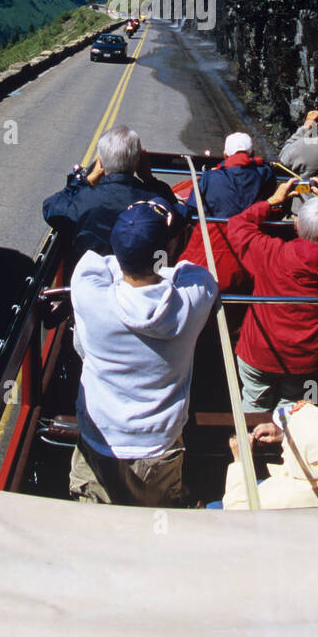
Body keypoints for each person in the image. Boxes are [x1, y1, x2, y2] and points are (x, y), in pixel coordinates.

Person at [69, 200, 218, 506]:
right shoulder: (191, 300)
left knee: (91, 525)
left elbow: (97, 264)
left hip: (100, 436)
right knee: (154, 523)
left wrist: (127, 253)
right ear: (167, 251)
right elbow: (194, 272)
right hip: (157, 444)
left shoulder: (90, 292)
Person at [225, 177, 318, 413]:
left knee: (253, 403)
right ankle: (286, 444)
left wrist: (272, 202)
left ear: (296, 225)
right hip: (306, 357)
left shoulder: (271, 252)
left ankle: (251, 444)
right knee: (293, 407)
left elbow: (236, 225)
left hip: (260, 350)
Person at [42, 125, 188, 262]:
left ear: (100, 163)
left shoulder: (83, 199)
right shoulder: (155, 202)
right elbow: (181, 216)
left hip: (89, 281)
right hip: (138, 283)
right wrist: (149, 179)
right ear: (139, 162)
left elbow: (50, 208)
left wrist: (86, 180)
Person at [176, 133, 275, 290]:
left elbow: (192, 210)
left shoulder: (208, 178)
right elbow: (266, 174)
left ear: (225, 155)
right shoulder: (265, 174)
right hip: (248, 253)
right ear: (252, 154)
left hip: (210, 255)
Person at [217, 400, 318, 510]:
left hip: (279, 524)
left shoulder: (278, 496)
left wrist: (240, 460)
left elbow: (234, 510)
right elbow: (314, 448)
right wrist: (285, 434)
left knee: (214, 506)